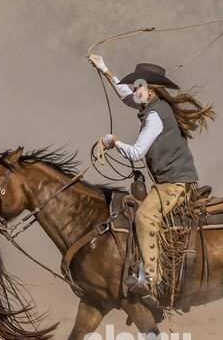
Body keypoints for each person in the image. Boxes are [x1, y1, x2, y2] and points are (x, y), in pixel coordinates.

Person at [86, 54, 216, 301]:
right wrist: (104, 68)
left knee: (145, 217)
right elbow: (124, 94)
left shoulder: (155, 116)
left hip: (176, 184)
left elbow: (136, 152)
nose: (135, 90)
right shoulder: (152, 106)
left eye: (139, 86)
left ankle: (151, 284)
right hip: (170, 181)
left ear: (150, 90)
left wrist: (111, 141)